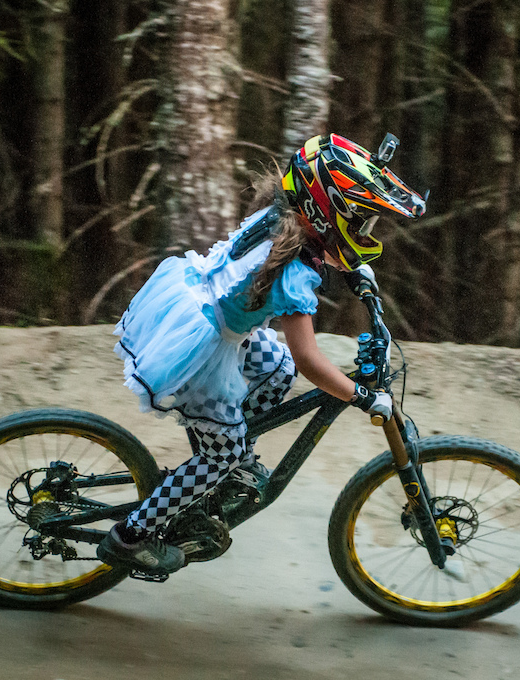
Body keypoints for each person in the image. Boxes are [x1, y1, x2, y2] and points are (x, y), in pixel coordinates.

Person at [97, 133, 427, 575]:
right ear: (331, 214)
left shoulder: (284, 215)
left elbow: (324, 257)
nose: (366, 234)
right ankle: (131, 536)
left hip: (201, 307)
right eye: (362, 223)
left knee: (276, 367)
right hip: (202, 348)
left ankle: (231, 454)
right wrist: (361, 396)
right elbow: (311, 360)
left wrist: (358, 272)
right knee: (224, 452)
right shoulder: (296, 277)